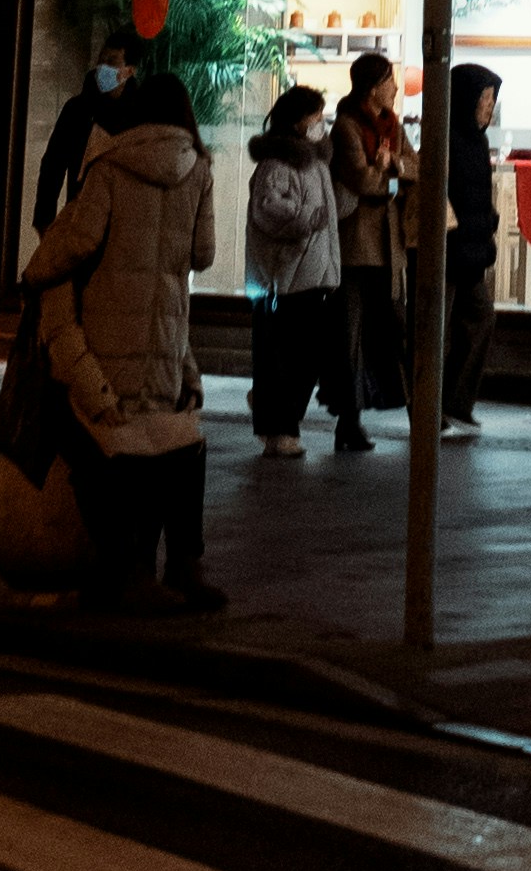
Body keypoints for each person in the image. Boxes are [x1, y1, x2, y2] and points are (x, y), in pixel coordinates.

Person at [23, 75, 224, 614]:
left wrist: (37, 268)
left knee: (124, 454)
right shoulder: (198, 169)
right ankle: (185, 565)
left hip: (105, 365)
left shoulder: (108, 171)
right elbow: (203, 254)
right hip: (159, 355)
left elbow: (75, 245)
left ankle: (132, 570)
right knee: (179, 449)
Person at [244, 83, 358, 452]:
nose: (321, 125)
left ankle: (280, 420)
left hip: (314, 274)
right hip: (284, 278)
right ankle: (279, 429)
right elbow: (269, 208)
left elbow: (329, 211)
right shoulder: (278, 164)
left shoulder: (316, 162)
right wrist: (307, 217)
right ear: (297, 123)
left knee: (304, 358)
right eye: (315, 118)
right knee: (287, 358)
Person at [334, 50, 410, 420]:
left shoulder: (394, 127)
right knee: (351, 334)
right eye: (389, 81)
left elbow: (416, 166)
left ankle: (409, 404)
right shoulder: (346, 126)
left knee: (396, 325)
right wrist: (385, 177)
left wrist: (391, 164)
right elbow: (360, 179)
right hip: (355, 246)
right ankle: (349, 417)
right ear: (373, 87)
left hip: (388, 245)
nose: (396, 87)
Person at [437, 64, 502, 435]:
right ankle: (434, 406)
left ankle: (456, 401)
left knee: (481, 318)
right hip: (448, 251)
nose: (488, 107)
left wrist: (486, 223)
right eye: (484, 98)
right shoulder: (446, 139)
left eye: (492, 99)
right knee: (440, 331)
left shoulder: (478, 141)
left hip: (471, 252)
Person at [37, 45, 132, 226]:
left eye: (111, 62)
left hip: (122, 226)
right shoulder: (77, 109)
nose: (104, 68)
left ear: (129, 70)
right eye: (101, 62)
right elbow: (53, 165)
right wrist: (44, 220)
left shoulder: (138, 113)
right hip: (80, 220)